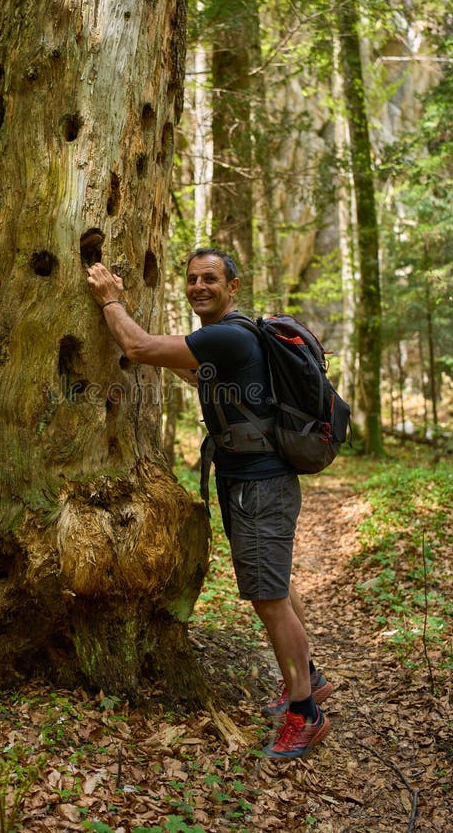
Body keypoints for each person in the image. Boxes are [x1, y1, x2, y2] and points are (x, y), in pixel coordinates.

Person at [86, 247, 333, 759]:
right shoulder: (228, 339)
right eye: (192, 279)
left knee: (268, 598)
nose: (199, 286)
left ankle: (305, 712)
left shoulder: (228, 335)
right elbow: (199, 374)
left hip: (259, 485)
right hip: (250, 480)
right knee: (276, 584)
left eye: (210, 279)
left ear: (233, 286)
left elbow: (137, 346)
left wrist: (110, 300)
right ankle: (307, 676)